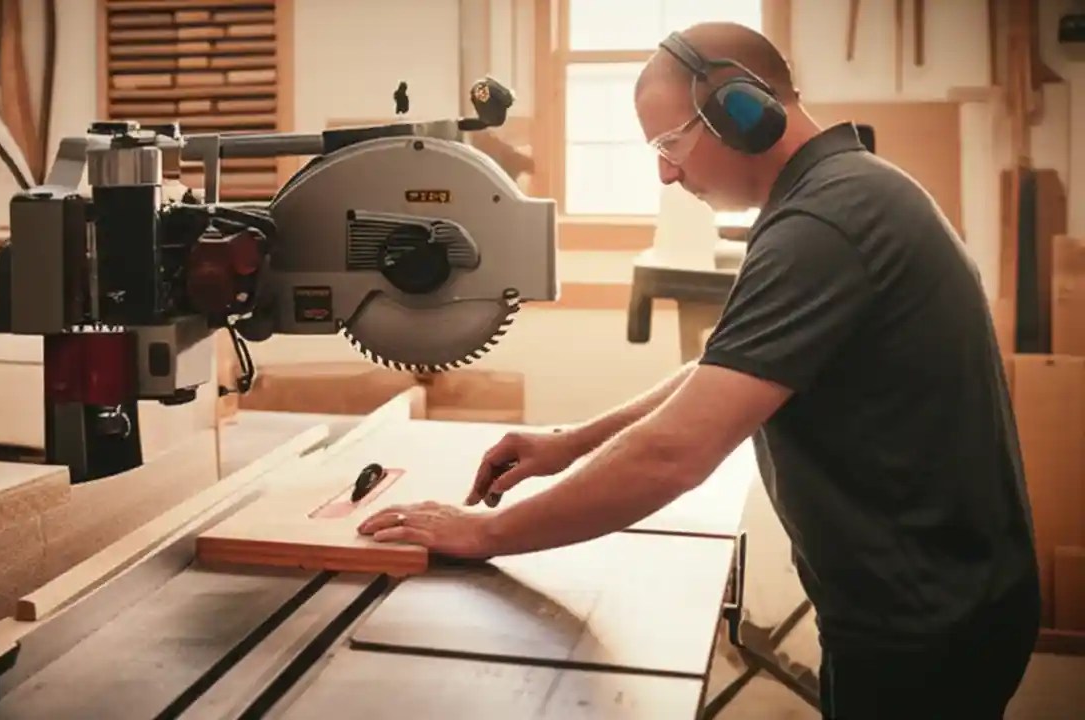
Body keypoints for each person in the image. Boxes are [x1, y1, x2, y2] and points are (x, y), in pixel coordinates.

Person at [358, 21, 1040, 720]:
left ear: (743, 111)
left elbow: (672, 455)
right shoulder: (837, 194)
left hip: (924, 625)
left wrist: (485, 533)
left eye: (670, 144)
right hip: (934, 600)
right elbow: (727, 367)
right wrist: (571, 441)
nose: (665, 172)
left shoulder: (826, 225)